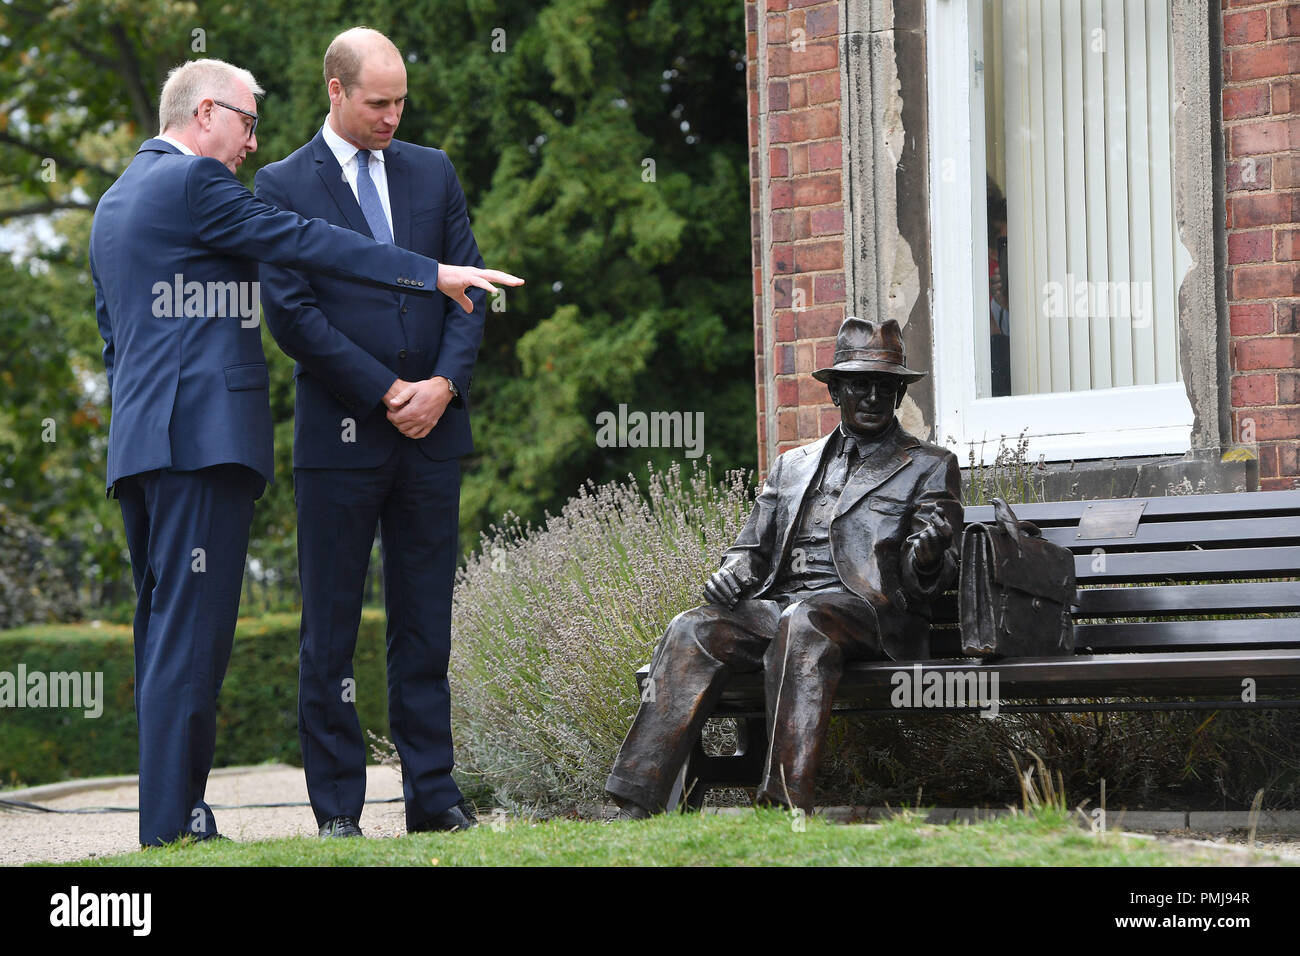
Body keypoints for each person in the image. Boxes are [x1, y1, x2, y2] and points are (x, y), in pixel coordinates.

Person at [89, 57, 521, 848]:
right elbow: (304, 241)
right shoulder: (195, 184)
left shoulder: (116, 198)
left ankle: (177, 816)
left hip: (142, 446)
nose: (252, 143)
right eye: (249, 121)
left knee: (165, 638)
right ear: (208, 111)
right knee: (194, 640)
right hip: (201, 444)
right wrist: (430, 275)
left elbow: (115, 337)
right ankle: (172, 830)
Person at [256, 28, 494, 837]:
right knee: (329, 633)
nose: (393, 115)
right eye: (377, 102)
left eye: (400, 102)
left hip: (433, 435)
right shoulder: (282, 183)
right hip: (339, 442)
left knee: (426, 626)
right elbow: (292, 316)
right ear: (335, 90)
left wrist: (443, 385)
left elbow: (472, 291)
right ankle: (336, 813)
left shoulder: (434, 170)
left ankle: (434, 796)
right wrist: (388, 389)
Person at [606, 316, 962, 816]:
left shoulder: (929, 464)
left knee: (805, 621)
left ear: (899, 394)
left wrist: (926, 557)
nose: (874, 396)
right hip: (786, 607)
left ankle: (782, 805)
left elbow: (937, 571)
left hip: (872, 613)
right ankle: (636, 800)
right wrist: (732, 571)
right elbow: (751, 549)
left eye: (887, 386)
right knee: (692, 628)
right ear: (836, 390)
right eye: (861, 384)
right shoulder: (793, 465)